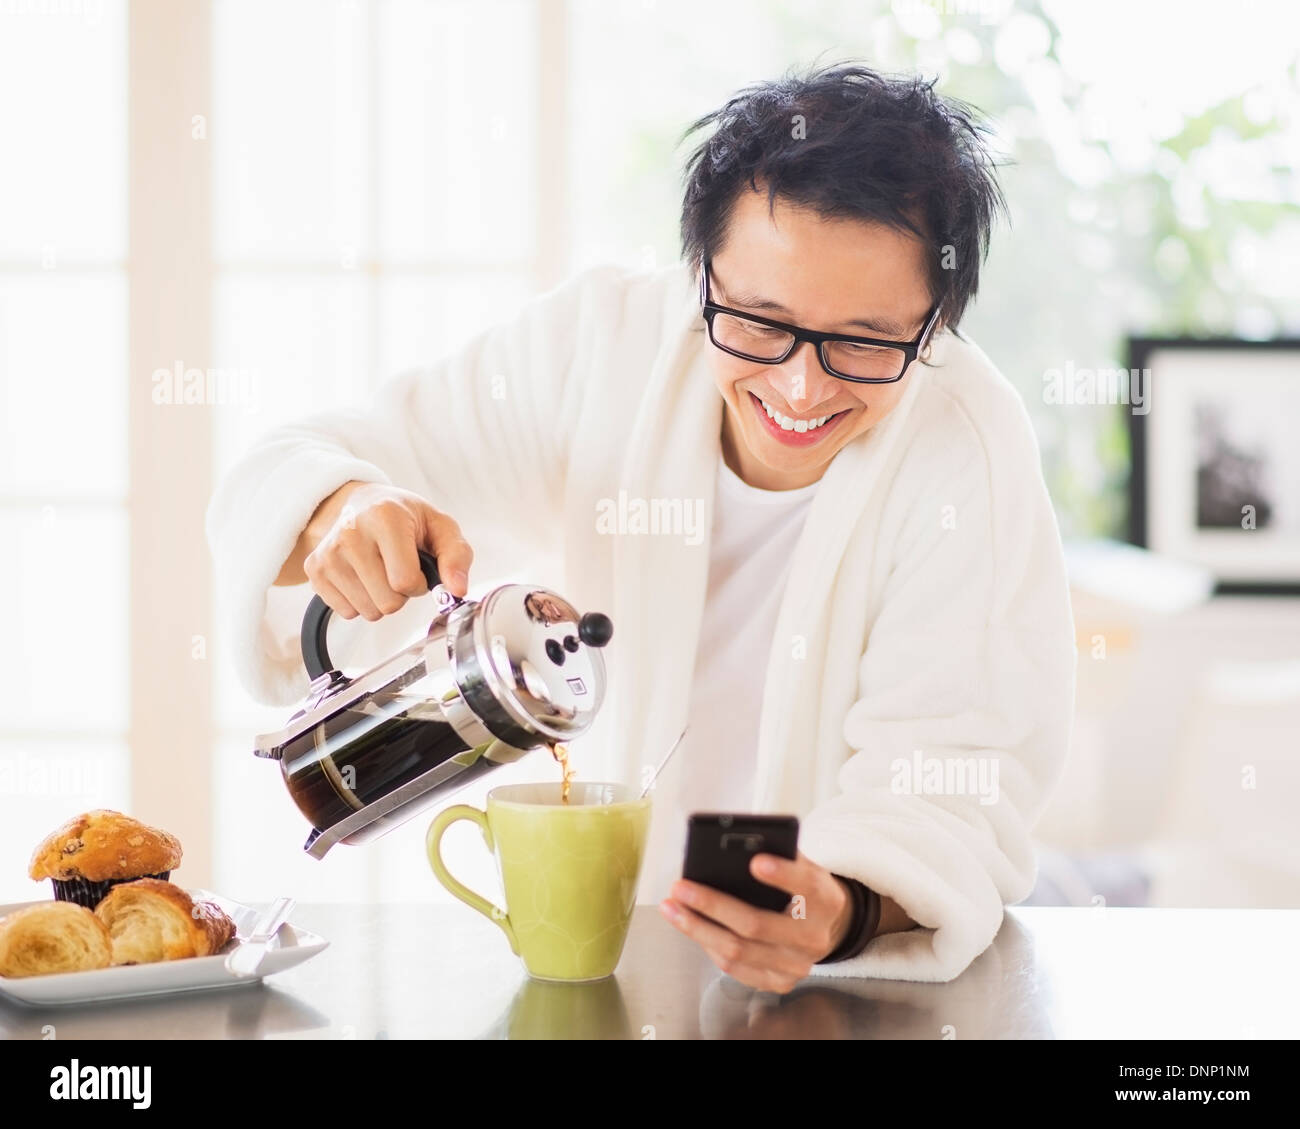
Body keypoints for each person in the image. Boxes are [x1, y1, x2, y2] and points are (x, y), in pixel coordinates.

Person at [207, 63, 1076, 991]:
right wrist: (343, 506)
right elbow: (293, 460)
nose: (800, 387)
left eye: (864, 342)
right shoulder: (602, 345)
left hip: (835, 989)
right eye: (758, 321)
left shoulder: (965, 449)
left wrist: (846, 903)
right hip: (606, 967)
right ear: (699, 274)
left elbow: (955, 774)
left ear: (935, 323)